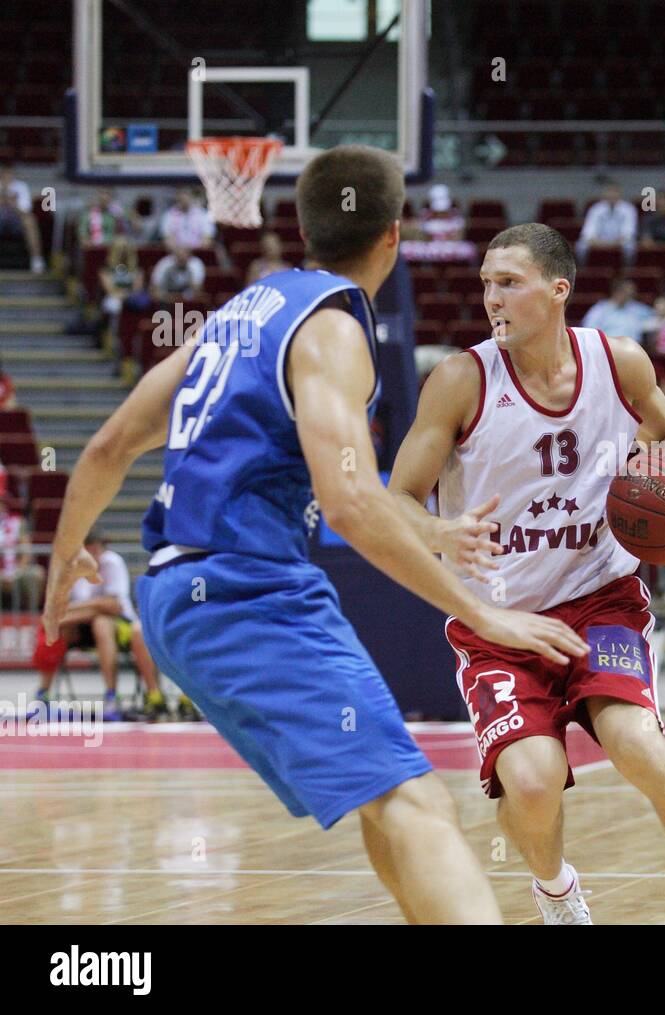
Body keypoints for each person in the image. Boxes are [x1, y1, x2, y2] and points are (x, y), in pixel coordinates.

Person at [41, 145, 591, 924]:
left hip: (175, 590)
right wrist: (483, 612)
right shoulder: (334, 331)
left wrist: (65, 561)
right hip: (244, 587)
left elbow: (106, 448)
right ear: (393, 236)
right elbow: (349, 504)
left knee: (383, 794)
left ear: (302, 228)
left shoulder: (245, 310)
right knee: (421, 802)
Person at [387, 222, 665, 926]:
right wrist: (437, 530)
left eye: (508, 282)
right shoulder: (459, 380)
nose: (492, 297)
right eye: (485, 283)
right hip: (499, 621)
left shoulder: (621, 363)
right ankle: (555, 889)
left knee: (637, 741)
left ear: (557, 291)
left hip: (599, 600)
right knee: (534, 782)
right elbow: (394, 500)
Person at [31, 531, 167, 722]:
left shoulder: (111, 562)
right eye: (89, 548)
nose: (94, 552)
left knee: (101, 623)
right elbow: (60, 607)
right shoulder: (72, 567)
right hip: (83, 625)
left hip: (118, 624)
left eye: (97, 548)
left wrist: (74, 609)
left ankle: (112, 695)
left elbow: (112, 606)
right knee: (54, 626)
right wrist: (69, 613)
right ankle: (43, 694)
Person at [0, 495, 43, 612]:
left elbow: (26, 550)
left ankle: (30, 617)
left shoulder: (18, 522)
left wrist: (17, 571)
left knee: (36, 574)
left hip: (16, 569)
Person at [0, 162, 45, 273]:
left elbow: (25, 210)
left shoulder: (21, 186)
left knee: (30, 220)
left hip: (17, 221)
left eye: (9, 174)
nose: (6, 176)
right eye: (4, 174)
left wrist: (12, 204)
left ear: (13, 174)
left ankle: (36, 259)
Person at [575, 184, 637, 265]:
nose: (612, 195)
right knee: (581, 245)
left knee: (630, 246)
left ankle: (626, 272)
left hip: (619, 242)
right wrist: (601, 244)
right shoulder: (595, 209)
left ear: (619, 194)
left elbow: (628, 235)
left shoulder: (629, 209)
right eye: (609, 192)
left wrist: (612, 244)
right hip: (598, 242)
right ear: (604, 194)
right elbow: (588, 234)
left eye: (614, 192)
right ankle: (585, 271)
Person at [581, 277, 655, 337]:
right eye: (626, 293)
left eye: (631, 294)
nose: (630, 296)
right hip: (608, 350)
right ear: (616, 292)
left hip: (634, 350)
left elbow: (657, 317)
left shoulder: (636, 308)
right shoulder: (599, 310)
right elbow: (588, 331)